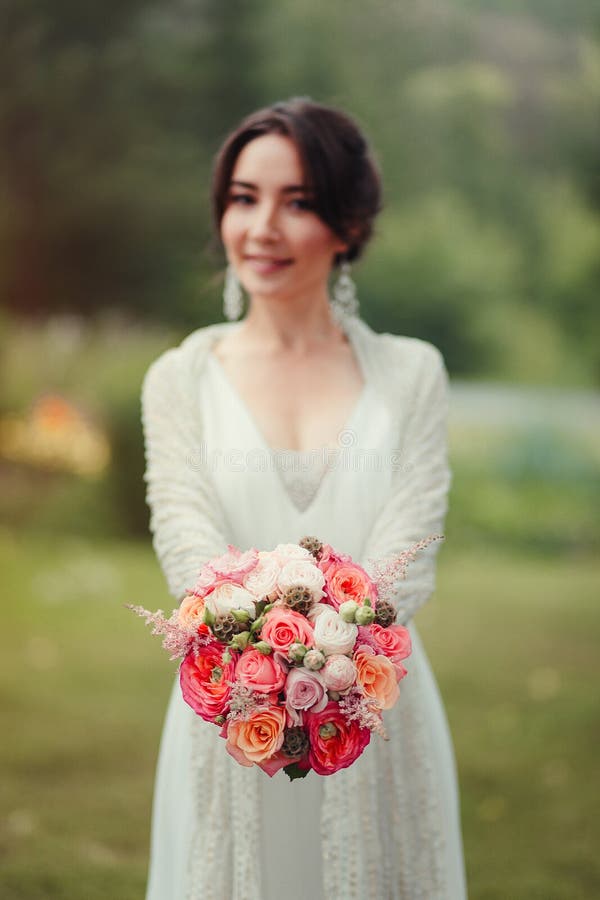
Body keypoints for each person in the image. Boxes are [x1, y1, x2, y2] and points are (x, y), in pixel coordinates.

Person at [142, 97, 468, 899]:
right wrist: (265, 671)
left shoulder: (411, 375)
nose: (263, 228)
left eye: (299, 202)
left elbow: (407, 555)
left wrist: (333, 671)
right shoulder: (178, 379)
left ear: (348, 224)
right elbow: (190, 551)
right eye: (244, 198)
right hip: (230, 709)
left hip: (376, 713)